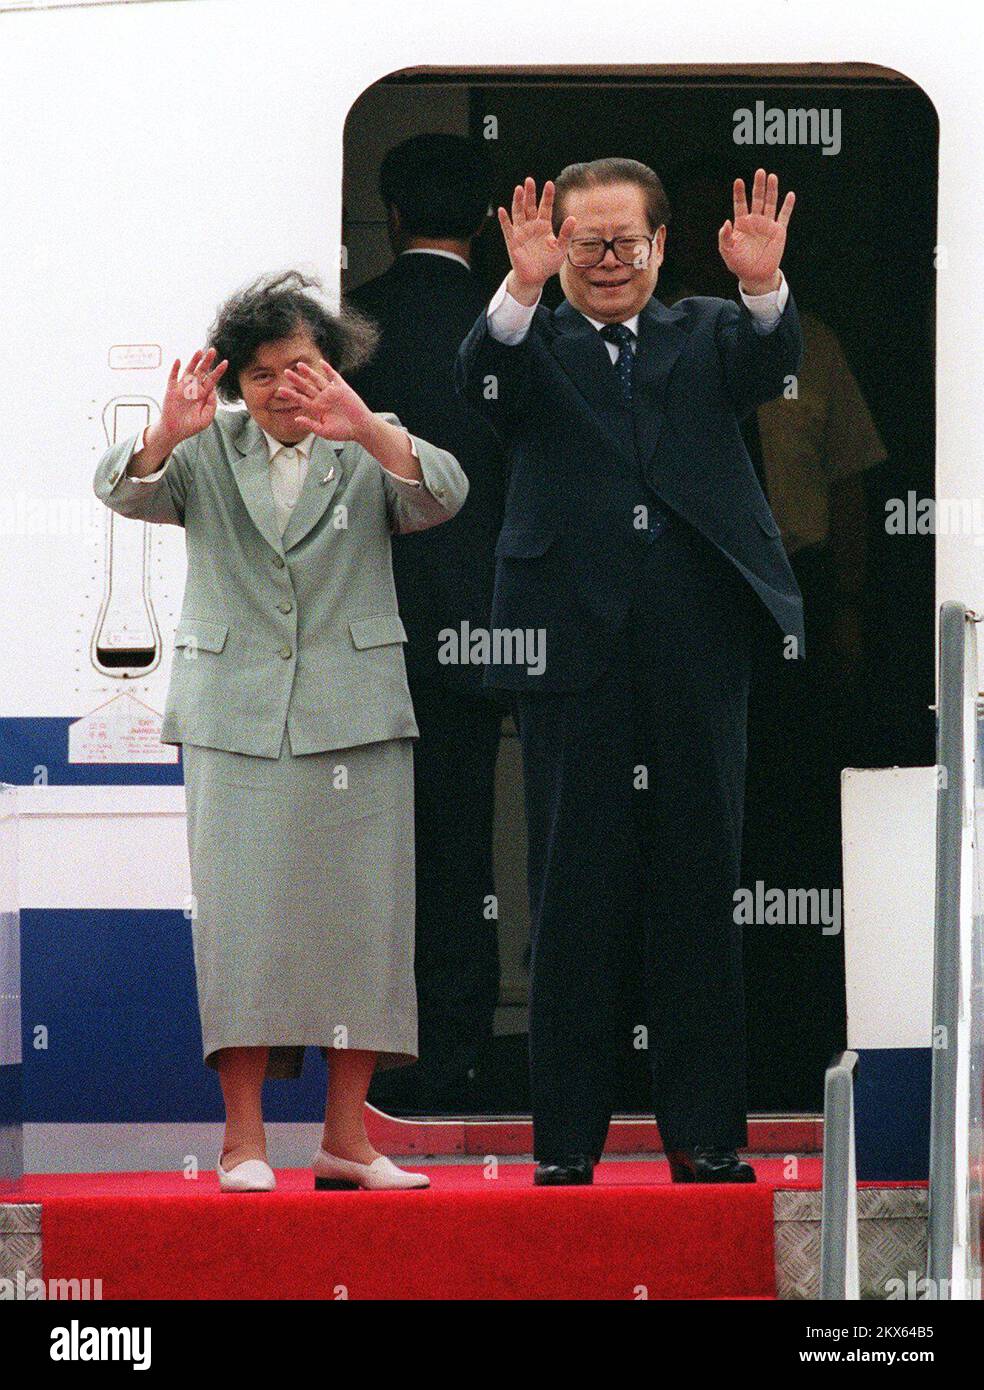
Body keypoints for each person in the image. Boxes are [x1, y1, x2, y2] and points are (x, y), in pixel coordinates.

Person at [457, 162, 803, 1186]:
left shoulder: (709, 330)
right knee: (572, 893)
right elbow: (481, 383)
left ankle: (706, 1136)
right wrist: (518, 289)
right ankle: (565, 1146)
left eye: (628, 244)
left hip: (697, 645)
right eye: (585, 244)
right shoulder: (530, 337)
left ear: (661, 244)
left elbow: (770, 358)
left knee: (701, 887)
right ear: (553, 243)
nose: (608, 264)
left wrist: (762, 285)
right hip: (569, 647)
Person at [92, 271, 468, 1192]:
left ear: (333, 367)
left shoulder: (365, 443)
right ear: (233, 384)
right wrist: (162, 433)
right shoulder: (205, 449)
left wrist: (368, 426)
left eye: (299, 366)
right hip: (236, 716)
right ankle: (243, 1143)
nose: (280, 388)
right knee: (244, 928)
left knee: (364, 927)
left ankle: (347, 1142)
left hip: (358, 710)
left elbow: (445, 495)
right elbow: (118, 489)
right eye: (259, 374)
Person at [346, 135, 509, 1113]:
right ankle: (455, 1053)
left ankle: (369, 1063)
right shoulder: (514, 323)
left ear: (390, 212)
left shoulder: (345, 321)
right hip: (482, 628)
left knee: (361, 849)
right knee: (461, 847)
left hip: (362, 625)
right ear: (489, 217)